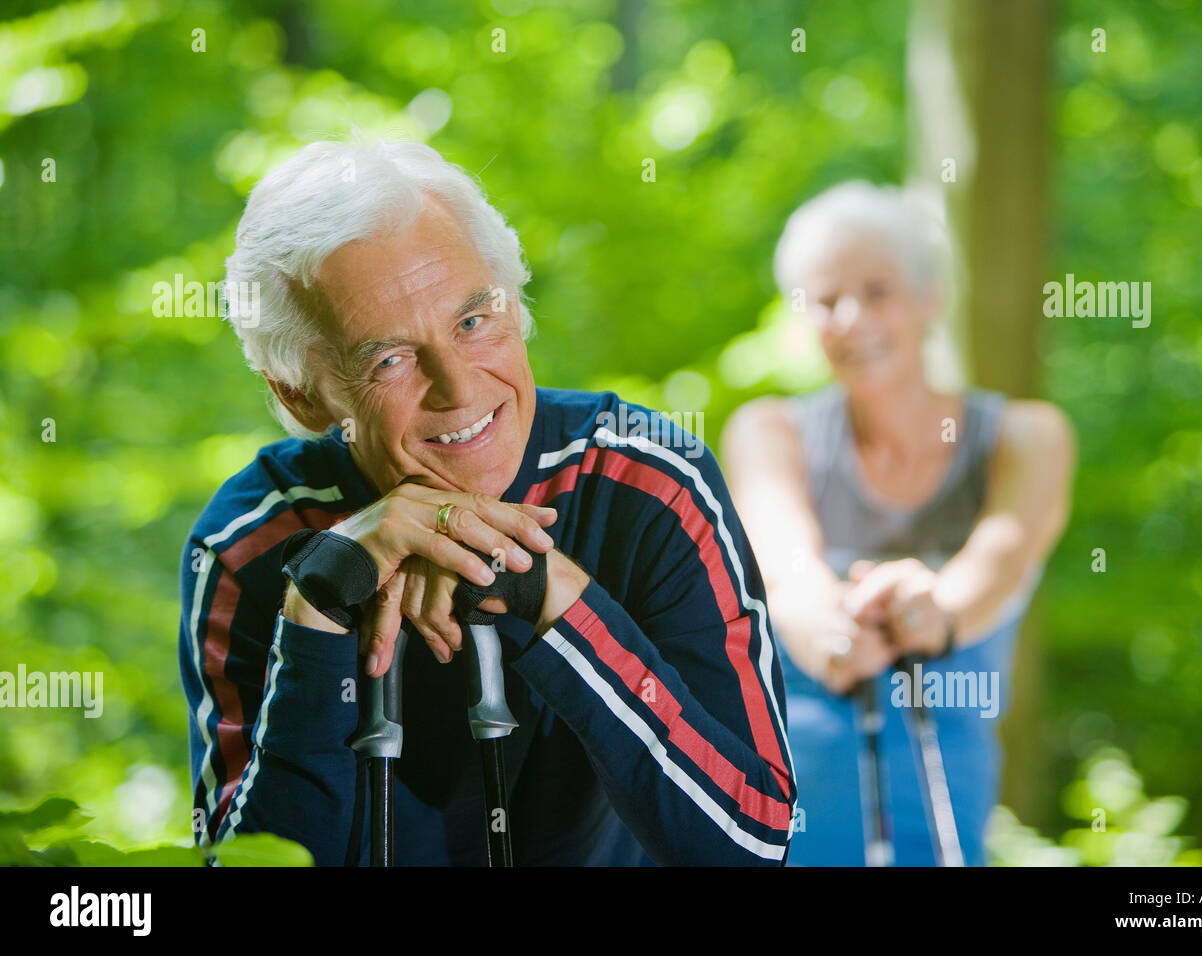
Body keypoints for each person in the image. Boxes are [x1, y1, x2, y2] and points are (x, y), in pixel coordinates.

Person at [179, 139, 796, 866]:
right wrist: (317, 605)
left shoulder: (647, 482)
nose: (460, 388)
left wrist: (552, 591)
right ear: (302, 394)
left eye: (473, 323)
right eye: (389, 360)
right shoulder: (251, 541)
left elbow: (753, 842)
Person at [721, 181, 1074, 866]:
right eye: (826, 301)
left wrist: (934, 611)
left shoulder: (1025, 438)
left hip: (944, 826)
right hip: (785, 826)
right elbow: (788, 575)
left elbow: (995, 568)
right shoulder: (771, 433)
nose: (851, 319)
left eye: (878, 291)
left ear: (928, 300)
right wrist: (833, 626)